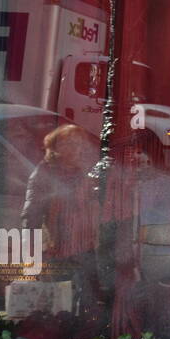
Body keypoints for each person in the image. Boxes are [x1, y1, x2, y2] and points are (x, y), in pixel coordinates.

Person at [21, 124, 103, 321]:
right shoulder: (44, 173)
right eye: (72, 143)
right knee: (58, 299)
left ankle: (83, 335)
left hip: (84, 245)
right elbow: (31, 212)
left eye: (81, 143)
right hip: (57, 247)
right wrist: (34, 246)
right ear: (56, 147)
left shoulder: (84, 172)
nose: (79, 148)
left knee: (87, 297)